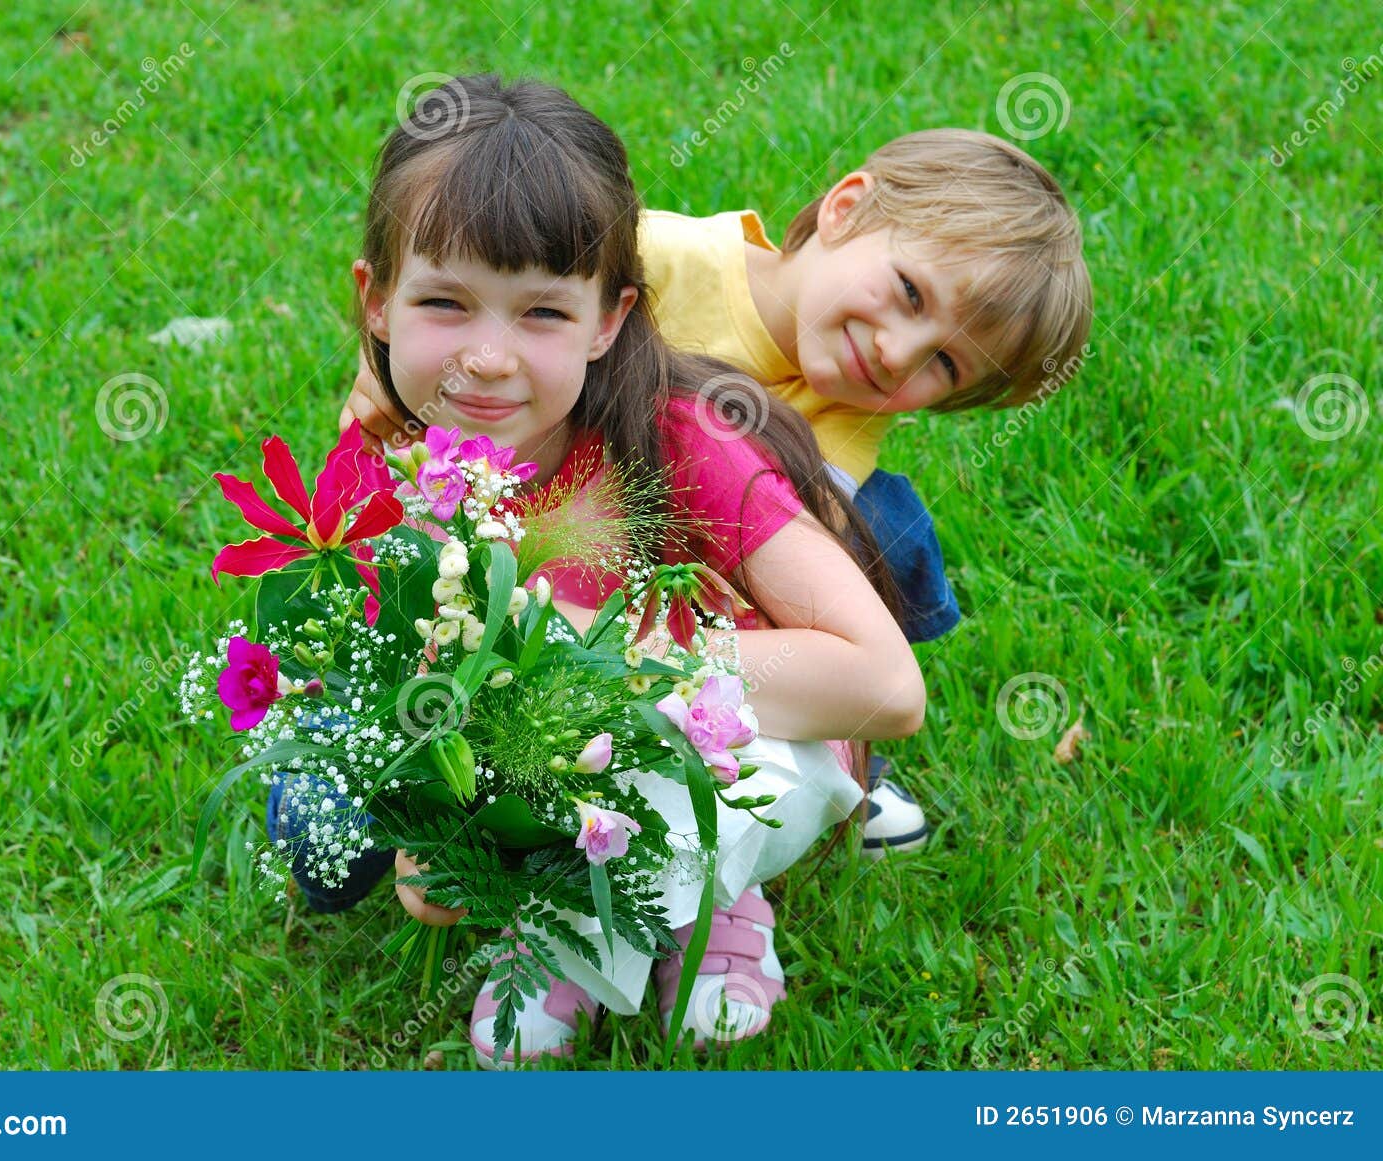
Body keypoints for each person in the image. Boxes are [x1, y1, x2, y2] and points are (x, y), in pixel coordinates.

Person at [272, 72, 955, 1069]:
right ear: (376, 303)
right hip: (533, 760)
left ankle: (713, 906)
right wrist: (422, 821)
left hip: (711, 736)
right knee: (323, 817)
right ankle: (551, 915)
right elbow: (391, 682)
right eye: (445, 304)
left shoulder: (686, 442)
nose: (490, 359)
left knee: (716, 764)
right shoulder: (378, 475)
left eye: (541, 314)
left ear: (607, 319)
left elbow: (886, 687)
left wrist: (611, 666)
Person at [342, 127, 1094, 859]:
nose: (897, 353)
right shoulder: (672, 256)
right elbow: (511, 281)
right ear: (845, 208)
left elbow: (784, 563)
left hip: (703, 539)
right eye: (908, 292)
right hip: (571, 473)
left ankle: (840, 759)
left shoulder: (849, 428)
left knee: (890, 538)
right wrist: (385, 370)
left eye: (946, 366)